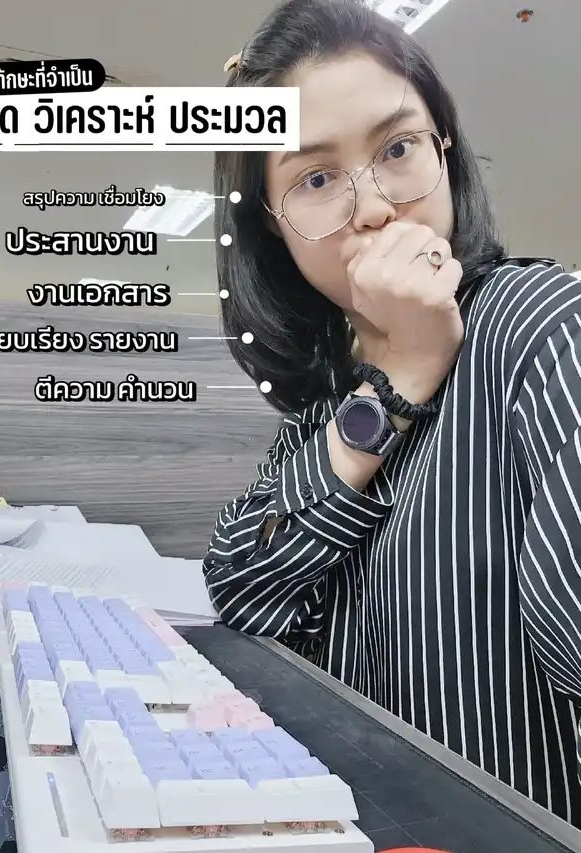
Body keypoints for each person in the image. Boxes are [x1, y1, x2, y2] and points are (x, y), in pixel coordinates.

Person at [203, 0, 581, 827]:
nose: (374, 207)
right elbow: (242, 586)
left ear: (444, 148)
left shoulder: (541, 323)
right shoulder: (323, 405)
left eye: (398, 148)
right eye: (316, 179)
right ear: (274, 231)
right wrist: (399, 378)